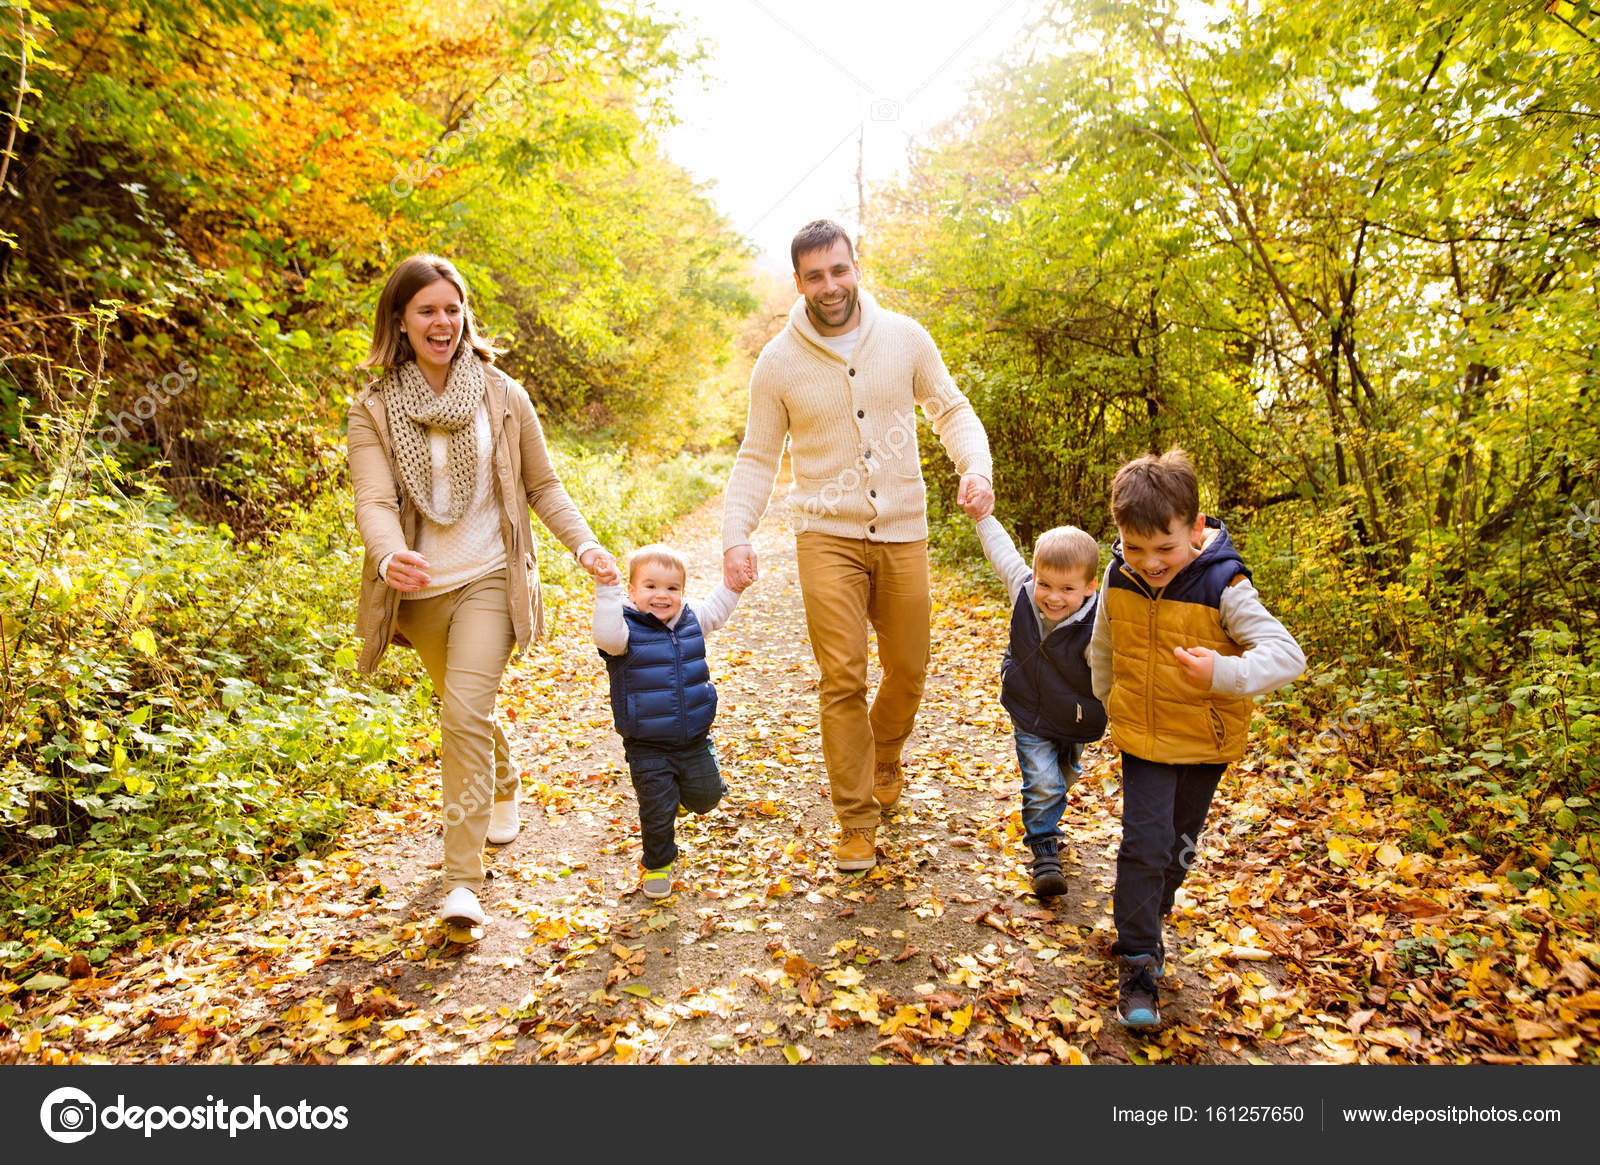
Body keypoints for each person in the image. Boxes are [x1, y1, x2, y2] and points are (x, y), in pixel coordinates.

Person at [347, 253, 619, 930]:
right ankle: (502, 777)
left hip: (491, 577)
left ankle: (461, 883)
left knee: (463, 713)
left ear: (465, 314)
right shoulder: (373, 409)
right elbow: (374, 501)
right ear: (400, 321)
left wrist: (584, 545)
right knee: (464, 710)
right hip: (419, 591)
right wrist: (389, 556)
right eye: (426, 310)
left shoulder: (502, 395)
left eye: (453, 307)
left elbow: (542, 485)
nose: (442, 321)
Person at [721, 219, 994, 872]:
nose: (830, 285)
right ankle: (854, 819)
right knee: (842, 676)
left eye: (839, 270)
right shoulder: (778, 362)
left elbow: (951, 408)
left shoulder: (904, 337)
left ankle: (885, 751)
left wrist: (975, 467)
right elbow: (757, 456)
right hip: (824, 534)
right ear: (798, 282)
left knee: (909, 667)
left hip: (904, 528)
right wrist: (735, 534)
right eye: (815, 275)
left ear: (855, 268)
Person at [1087, 448, 1305, 1029]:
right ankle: (1138, 960)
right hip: (1143, 739)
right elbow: (1104, 644)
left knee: (1178, 846)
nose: (1149, 562)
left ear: (1196, 528)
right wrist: (1106, 701)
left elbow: (1288, 656)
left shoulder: (1223, 584)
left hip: (1204, 742)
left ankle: (1152, 910)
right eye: (1135, 548)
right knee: (1144, 843)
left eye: (1164, 548)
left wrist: (1223, 674)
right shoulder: (1117, 574)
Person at [592, 544, 748, 898]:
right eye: (650, 586)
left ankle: (684, 792)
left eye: (672, 588)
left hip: (694, 738)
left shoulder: (691, 617)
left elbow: (718, 610)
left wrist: (734, 586)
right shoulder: (623, 629)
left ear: (682, 591)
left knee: (707, 799)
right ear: (631, 591)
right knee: (657, 810)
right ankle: (658, 866)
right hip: (647, 745)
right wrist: (605, 589)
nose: (662, 595)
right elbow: (604, 635)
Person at [966, 510, 1107, 898]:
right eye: (1045, 583)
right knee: (1043, 781)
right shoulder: (1026, 592)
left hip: (1075, 718)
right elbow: (1002, 554)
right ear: (1034, 574)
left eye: (1067, 589)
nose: (1053, 597)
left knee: (1063, 777)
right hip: (1028, 711)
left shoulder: (1099, 624)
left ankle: (1049, 811)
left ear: (1090, 586)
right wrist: (983, 517)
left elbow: (1112, 671)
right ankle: (1044, 849)